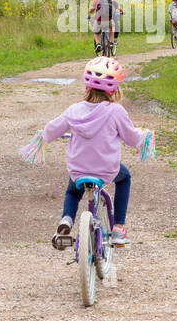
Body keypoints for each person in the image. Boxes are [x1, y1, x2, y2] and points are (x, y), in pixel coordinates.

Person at [40, 56, 147, 249]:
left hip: (79, 169)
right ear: (114, 89)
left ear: (87, 86)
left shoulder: (74, 110)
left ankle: (67, 219)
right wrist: (143, 136)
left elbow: (51, 130)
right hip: (106, 170)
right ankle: (118, 228)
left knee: (73, 192)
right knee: (124, 178)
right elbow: (133, 139)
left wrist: (44, 136)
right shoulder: (116, 111)